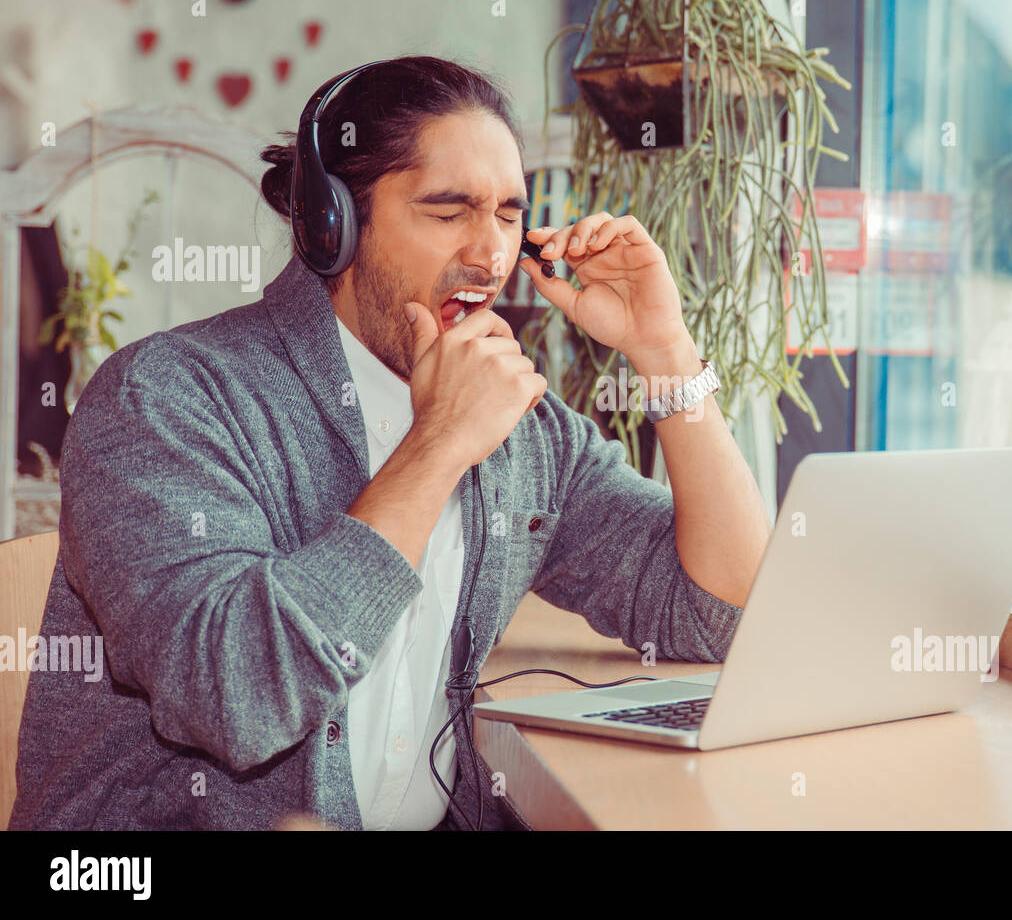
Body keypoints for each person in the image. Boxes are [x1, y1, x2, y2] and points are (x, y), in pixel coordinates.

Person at [11, 55, 771, 830]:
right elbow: (234, 697)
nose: (490, 254)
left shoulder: (522, 428)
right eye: (448, 211)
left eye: (509, 214)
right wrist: (436, 447)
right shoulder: (167, 397)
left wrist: (665, 350)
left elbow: (720, 615)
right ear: (333, 224)